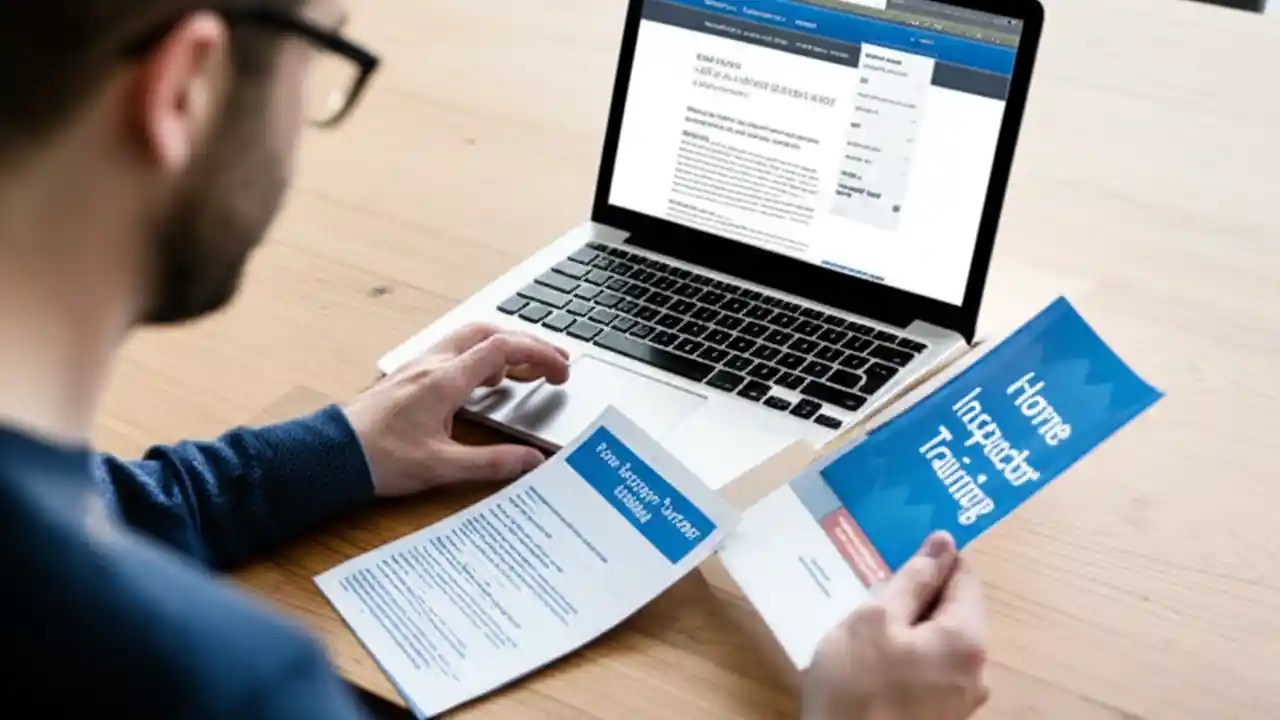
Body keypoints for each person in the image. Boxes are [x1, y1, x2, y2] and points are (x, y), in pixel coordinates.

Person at [0, 0, 990, 717]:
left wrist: (338, 447)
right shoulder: (230, 686)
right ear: (186, 87)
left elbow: (85, 511)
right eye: (324, 50)